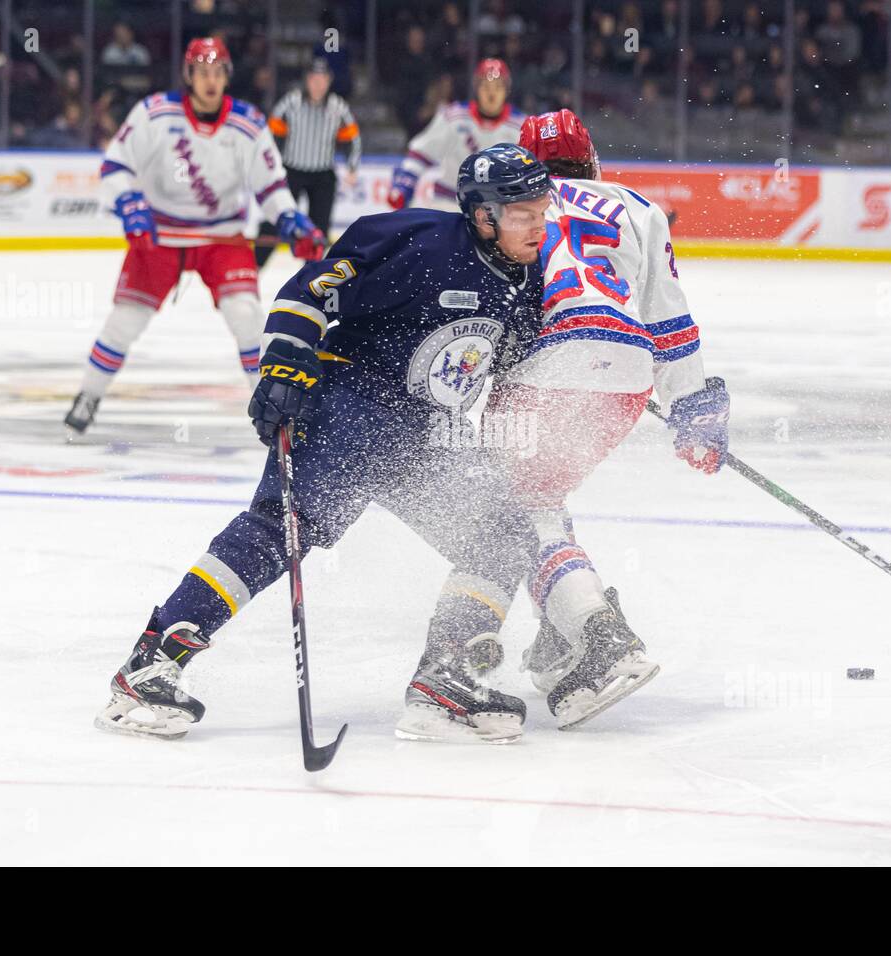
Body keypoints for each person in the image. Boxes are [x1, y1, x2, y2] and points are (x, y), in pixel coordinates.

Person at [94, 145, 553, 744]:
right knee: (281, 529)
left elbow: (508, 356)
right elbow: (308, 291)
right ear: (482, 214)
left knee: (502, 535)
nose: (538, 225)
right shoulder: (417, 240)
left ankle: (445, 680)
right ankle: (148, 668)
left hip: (427, 431)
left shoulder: (525, 276)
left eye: (542, 210)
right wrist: (284, 367)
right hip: (351, 406)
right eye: (523, 213)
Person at [406, 110, 730, 736]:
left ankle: (602, 639)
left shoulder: (517, 205)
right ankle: (562, 645)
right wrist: (691, 406)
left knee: (521, 515)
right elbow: (669, 319)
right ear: (592, 161)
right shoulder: (639, 208)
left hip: (542, 364)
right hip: (627, 369)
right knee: (540, 500)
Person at [63, 37, 326, 437]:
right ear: (189, 75)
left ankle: (269, 411)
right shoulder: (155, 114)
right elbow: (116, 165)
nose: (210, 80)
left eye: (217, 72)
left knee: (247, 317)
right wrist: (130, 202)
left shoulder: (248, 123)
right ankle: (88, 395)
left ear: (227, 76)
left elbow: (271, 186)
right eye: (202, 72)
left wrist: (290, 219)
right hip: (160, 235)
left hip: (221, 239)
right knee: (125, 322)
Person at [260, 58, 361, 266]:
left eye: (322, 79)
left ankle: (311, 277)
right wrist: (271, 165)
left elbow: (353, 138)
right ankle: (255, 265)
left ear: (329, 81)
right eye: (314, 79)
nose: (317, 84)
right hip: (291, 172)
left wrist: (352, 167)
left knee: (319, 230)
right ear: (307, 80)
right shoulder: (291, 102)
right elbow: (269, 134)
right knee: (275, 219)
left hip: (323, 175)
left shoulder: (338, 107)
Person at [388, 58, 524, 211]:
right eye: (486, 87)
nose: (491, 94)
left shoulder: (519, 127)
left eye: (498, 88)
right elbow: (420, 154)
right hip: (450, 202)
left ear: (506, 90)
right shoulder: (453, 117)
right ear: (476, 88)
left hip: (498, 208)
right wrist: (404, 184)